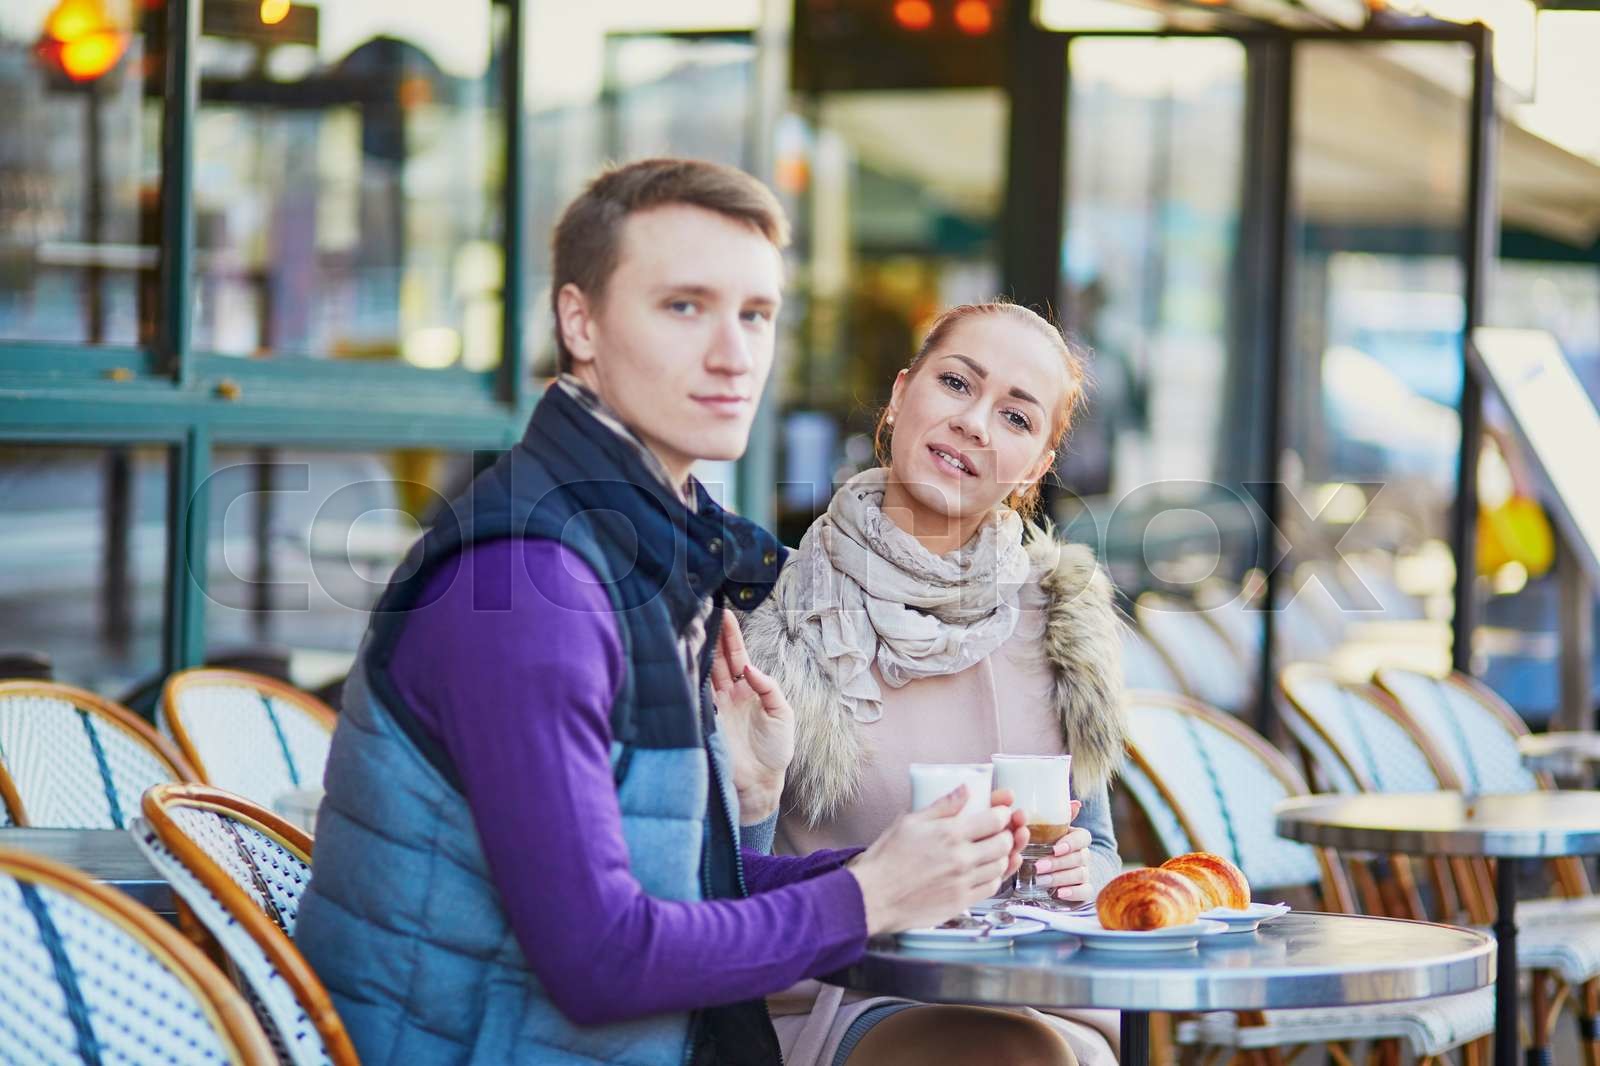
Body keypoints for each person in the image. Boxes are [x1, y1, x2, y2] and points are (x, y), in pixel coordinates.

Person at [295, 159, 1046, 1066]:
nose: (733, 355)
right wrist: (871, 897)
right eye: (683, 307)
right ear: (580, 322)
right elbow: (600, 960)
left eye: (755, 315)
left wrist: (887, 859)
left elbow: (672, 890)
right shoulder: (529, 585)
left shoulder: (641, 554)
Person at [737, 300, 1127, 1065]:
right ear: (900, 394)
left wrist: (1086, 867)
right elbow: (717, 877)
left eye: (1016, 419)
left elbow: (1100, 845)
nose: (976, 423)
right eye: (956, 383)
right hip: (839, 994)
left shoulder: (1062, 619)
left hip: (1038, 990)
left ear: (1038, 466)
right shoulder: (767, 607)